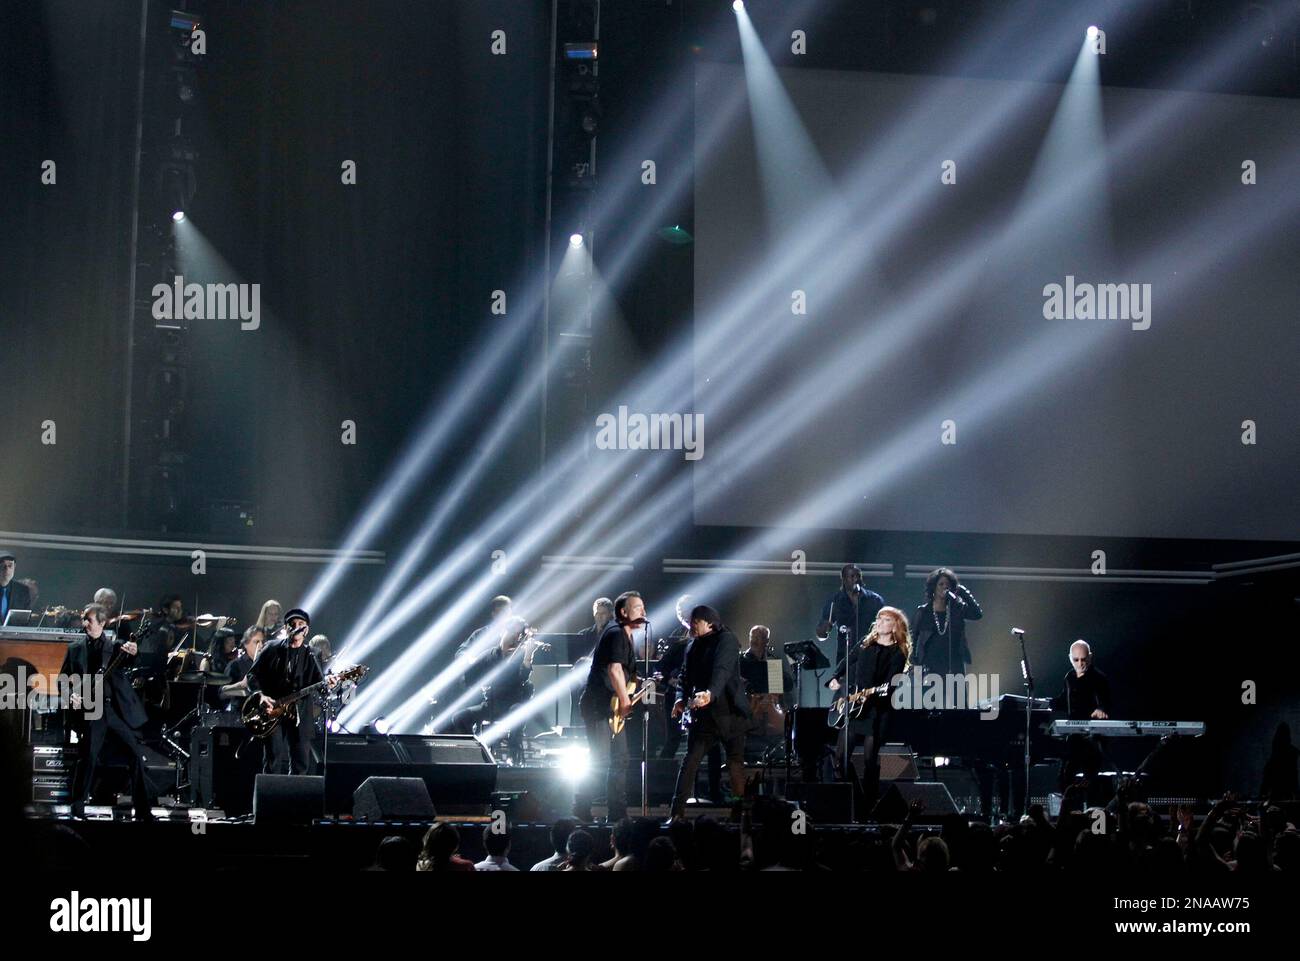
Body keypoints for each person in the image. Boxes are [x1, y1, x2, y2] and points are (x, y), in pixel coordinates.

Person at [59, 604, 161, 820]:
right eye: (84, 619)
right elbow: (63, 679)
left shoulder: (115, 647)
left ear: (102, 623)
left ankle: (143, 810)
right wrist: (71, 695)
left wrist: (134, 651)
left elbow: (132, 659)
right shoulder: (75, 649)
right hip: (91, 710)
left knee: (135, 755)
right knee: (88, 757)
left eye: (90, 620)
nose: (85, 623)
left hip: (112, 710)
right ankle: (77, 808)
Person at [668, 605, 751, 820]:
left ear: (709, 622)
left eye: (696, 622)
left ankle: (738, 812)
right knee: (691, 761)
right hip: (705, 716)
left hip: (729, 712)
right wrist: (679, 699)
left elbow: (721, 671)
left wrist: (709, 694)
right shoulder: (693, 645)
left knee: (735, 762)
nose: (692, 625)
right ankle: (676, 814)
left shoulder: (727, 640)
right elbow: (684, 676)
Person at [828, 606, 911, 814]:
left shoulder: (898, 653)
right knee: (839, 758)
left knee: (869, 761)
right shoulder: (866, 643)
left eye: (886, 620)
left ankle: (870, 805)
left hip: (877, 711)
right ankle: (852, 798)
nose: (881, 622)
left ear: (895, 627)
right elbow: (848, 661)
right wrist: (835, 678)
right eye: (879, 619)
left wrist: (872, 693)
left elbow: (890, 684)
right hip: (855, 708)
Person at [575, 591, 646, 822]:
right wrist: (626, 700)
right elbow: (614, 670)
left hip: (611, 708)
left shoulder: (624, 635)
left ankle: (617, 812)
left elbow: (625, 674)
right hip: (599, 707)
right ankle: (582, 807)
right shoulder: (616, 633)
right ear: (624, 612)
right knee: (601, 760)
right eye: (638, 608)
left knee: (620, 758)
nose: (643, 613)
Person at [245, 608, 331, 775]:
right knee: (273, 760)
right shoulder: (272, 648)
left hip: (300, 713)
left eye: (300, 624)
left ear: (306, 630)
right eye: (292, 624)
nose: (296, 627)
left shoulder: (313, 654)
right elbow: (252, 676)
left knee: (301, 763)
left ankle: (294, 799)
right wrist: (260, 695)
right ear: (286, 628)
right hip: (273, 711)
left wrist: (329, 684)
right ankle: (269, 798)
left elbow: (318, 684)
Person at [451, 616, 541, 761]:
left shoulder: (521, 655)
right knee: (459, 718)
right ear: (503, 632)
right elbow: (471, 676)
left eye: (519, 635)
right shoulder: (489, 655)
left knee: (518, 711)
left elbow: (524, 677)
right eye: (512, 633)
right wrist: (469, 665)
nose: (515, 639)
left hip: (513, 704)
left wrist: (528, 656)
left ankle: (514, 753)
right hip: (491, 705)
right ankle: (475, 751)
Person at [1053, 640, 1113, 799]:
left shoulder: (1099, 678)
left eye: (1084, 659)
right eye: (1076, 660)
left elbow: (1105, 701)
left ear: (1090, 657)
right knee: (1064, 778)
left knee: (1090, 780)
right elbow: (1063, 701)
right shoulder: (1069, 677)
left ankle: (1092, 815)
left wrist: (1101, 709)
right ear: (1070, 659)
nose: (1080, 663)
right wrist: (1043, 704)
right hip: (1073, 737)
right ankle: (1069, 812)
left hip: (1092, 738)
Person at [909, 568, 982, 677]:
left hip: (954, 664)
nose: (944, 587)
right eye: (941, 584)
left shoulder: (957, 609)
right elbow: (912, 639)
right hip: (930, 666)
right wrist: (915, 664)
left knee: (957, 694)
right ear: (933, 588)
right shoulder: (924, 612)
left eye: (947, 584)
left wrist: (962, 591)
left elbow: (977, 614)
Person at [816, 564, 885, 668]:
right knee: (845, 683)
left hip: (869, 654)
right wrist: (824, 629)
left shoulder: (874, 600)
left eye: (858, 576)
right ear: (844, 579)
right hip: (845, 656)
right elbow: (821, 635)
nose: (856, 579)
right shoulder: (835, 601)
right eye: (852, 576)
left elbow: (885, 628)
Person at [0, 552, 33, 624]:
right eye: (3, 566)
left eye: (10, 566)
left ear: (14, 567)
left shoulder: (22, 591)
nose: (7, 569)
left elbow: (26, 621)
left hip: (13, 635)